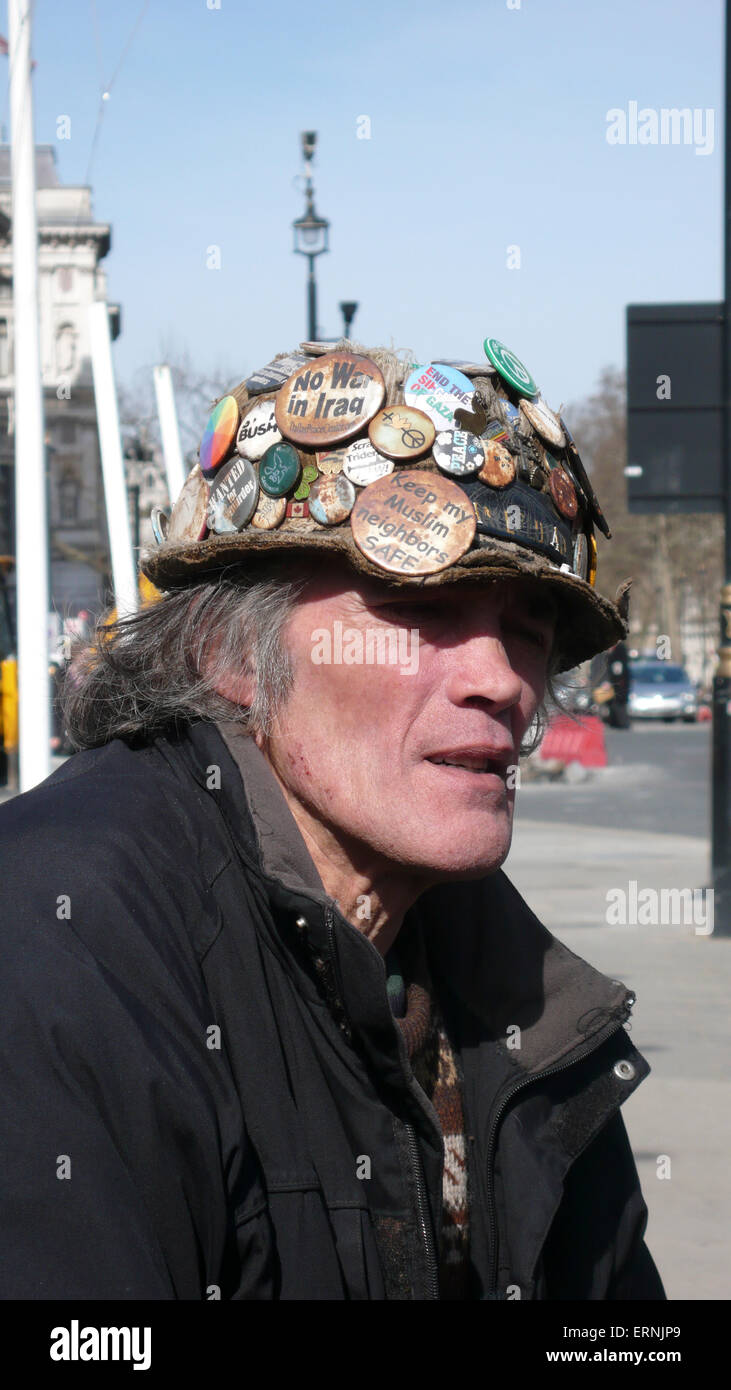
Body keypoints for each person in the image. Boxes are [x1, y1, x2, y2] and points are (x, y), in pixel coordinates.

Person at [0, 340, 664, 1301]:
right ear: (230, 652)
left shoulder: (508, 977)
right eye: (419, 611)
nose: (499, 679)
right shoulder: (58, 937)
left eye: (527, 628)